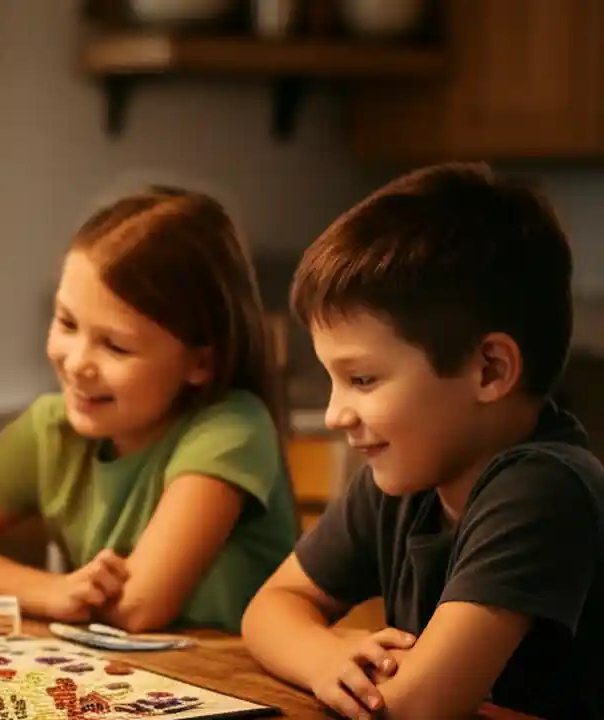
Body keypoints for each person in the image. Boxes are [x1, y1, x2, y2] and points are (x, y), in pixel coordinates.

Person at [242, 162, 604, 720]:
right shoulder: (402, 480)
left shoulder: (544, 487)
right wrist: (323, 656)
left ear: (488, 370)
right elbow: (270, 608)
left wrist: (367, 676)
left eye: (362, 379)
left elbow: (419, 705)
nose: (337, 414)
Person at [0, 187, 298, 634]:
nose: (77, 363)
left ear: (200, 362)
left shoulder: (233, 429)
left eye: (116, 345)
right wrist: (49, 590)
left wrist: (58, 595)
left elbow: (136, 607)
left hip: (236, 689)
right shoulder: (50, 429)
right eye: (67, 323)